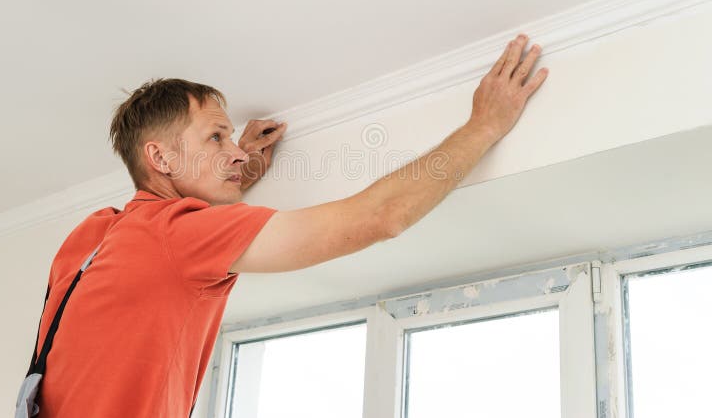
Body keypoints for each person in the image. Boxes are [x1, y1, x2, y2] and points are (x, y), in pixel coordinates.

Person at [27, 33, 547, 417]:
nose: (233, 151)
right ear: (159, 157)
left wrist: (229, 179)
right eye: (215, 138)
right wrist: (484, 125)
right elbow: (380, 218)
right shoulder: (178, 234)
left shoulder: (92, 235)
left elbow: (155, 266)